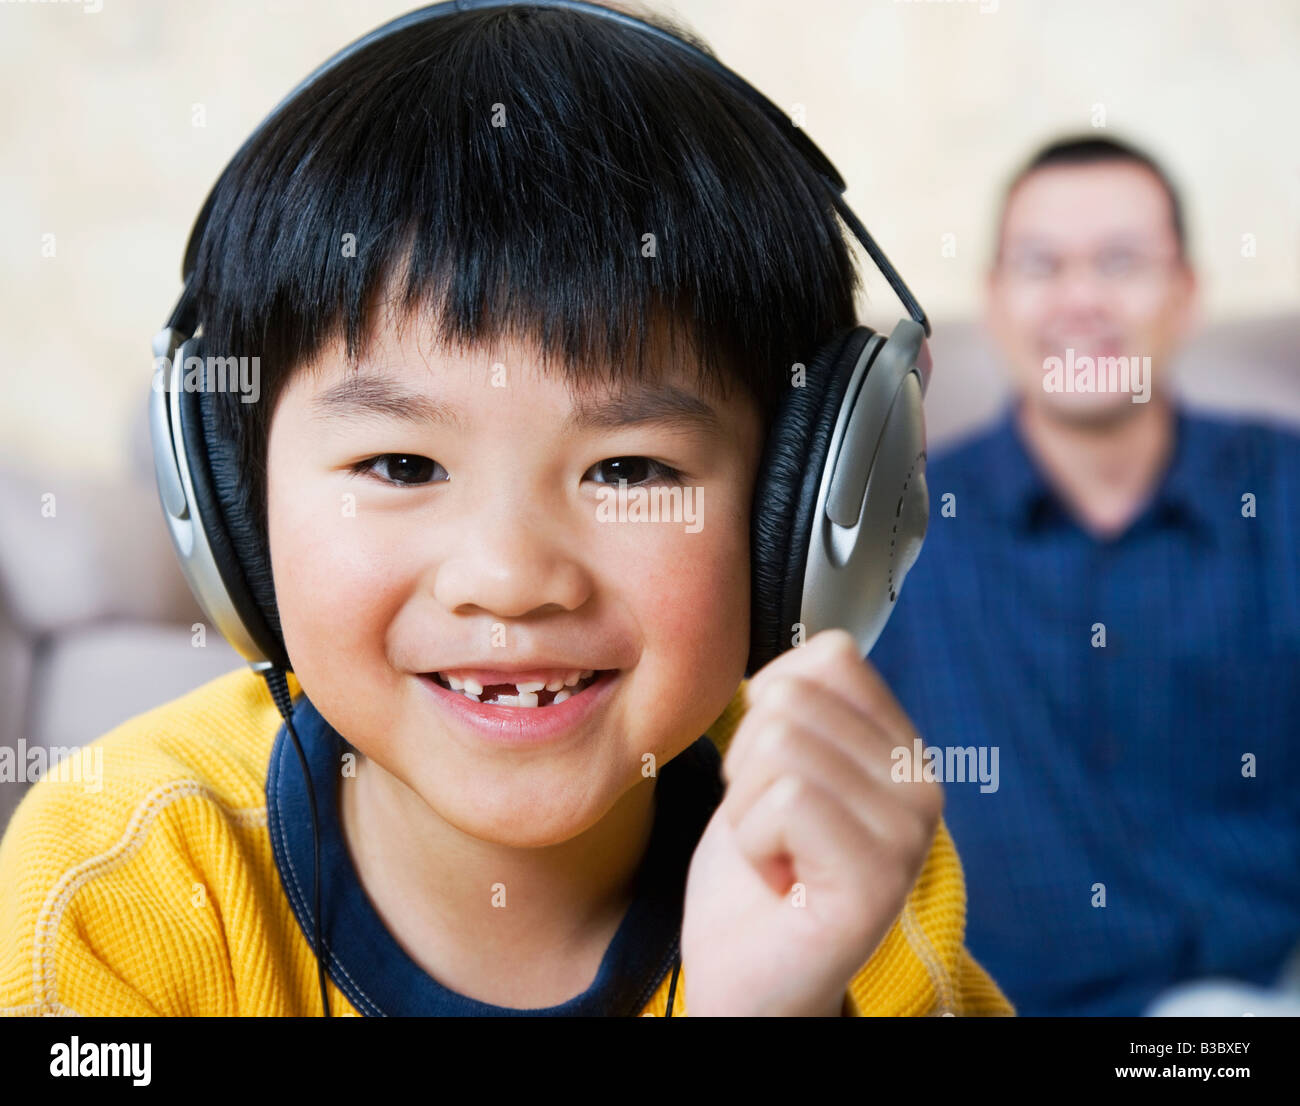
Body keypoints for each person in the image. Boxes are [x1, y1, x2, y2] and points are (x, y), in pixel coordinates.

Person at [0, 3, 1011, 1017]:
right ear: (227, 501)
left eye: (626, 470)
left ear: (801, 519)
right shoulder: (117, 878)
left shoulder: (838, 866)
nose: (509, 574)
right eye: (400, 462)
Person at [870, 134, 1300, 1016]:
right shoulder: (896, 530)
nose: (1081, 298)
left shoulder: (1285, 492)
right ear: (992, 301)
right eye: (1040, 264)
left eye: (1121, 261)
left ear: (1187, 297)